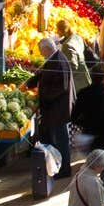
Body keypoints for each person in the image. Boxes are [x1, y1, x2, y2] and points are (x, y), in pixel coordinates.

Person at [29, 36, 76, 177]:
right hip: (56, 109)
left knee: (61, 140)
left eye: (41, 51)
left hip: (58, 110)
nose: (41, 54)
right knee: (59, 138)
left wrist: (43, 96)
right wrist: (31, 82)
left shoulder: (59, 62)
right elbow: (43, 73)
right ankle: (60, 166)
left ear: (47, 49)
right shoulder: (54, 59)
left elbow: (61, 87)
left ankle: (64, 169)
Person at [72, 61, 104, 156]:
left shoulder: (82, 93)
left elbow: (74, 116)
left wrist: (83, 123)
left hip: (88, 136)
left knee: (92, 164)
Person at [54, 18, 91, 94]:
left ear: (61, 31)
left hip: (78, 83)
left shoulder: (67, 46)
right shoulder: (77, 36)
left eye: (57, 30)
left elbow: (73, 66)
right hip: (85, 77)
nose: (56, 32)